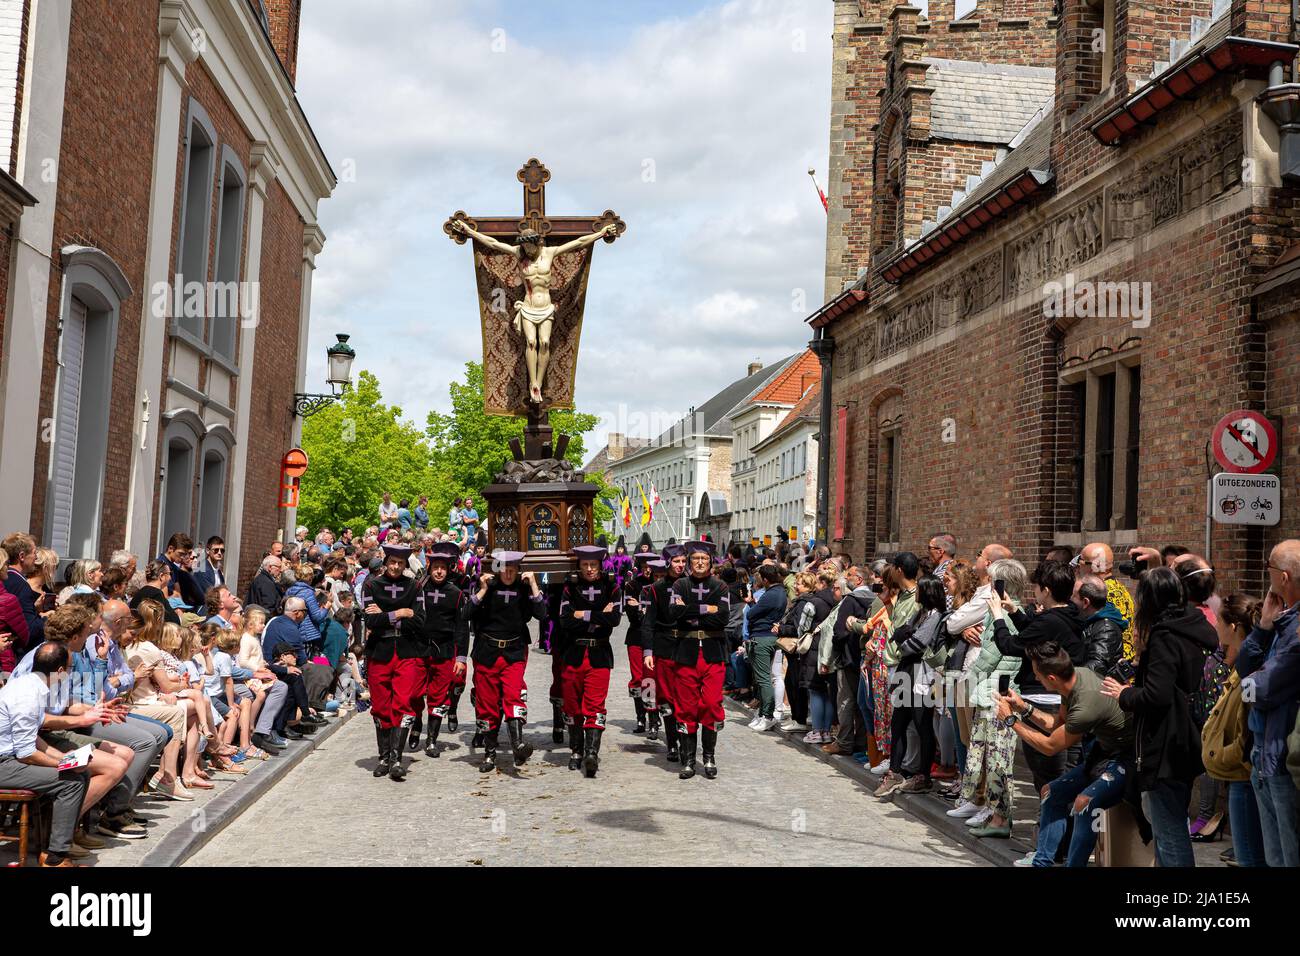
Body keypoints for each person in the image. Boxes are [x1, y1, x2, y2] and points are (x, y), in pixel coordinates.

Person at [1101, 566, 1218, 867]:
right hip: (1189, 736)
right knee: (1169, 823)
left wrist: (1123, 693)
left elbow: (1157, 695)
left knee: (1170, 831)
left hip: (1165, 744)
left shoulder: (1165, 636)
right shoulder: (1197, 628)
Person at [997, 641, 1135, 867]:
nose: (1036, 680)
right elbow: (1056, 725)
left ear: (1051, 678)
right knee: (1050, 792)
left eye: (1037, 676)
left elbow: (1050, 746)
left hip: (1126, 759)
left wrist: (1010, 721)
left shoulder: (1086, 705)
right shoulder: (1073, 678)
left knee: (1084, 802)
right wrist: (1023, 708)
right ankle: (1042, 863)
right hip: (1103, 754)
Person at [1231, 539, 1300, 867]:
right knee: (1275, 857)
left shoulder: (1297, 632)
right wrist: (1261, 629)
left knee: (1287, 855)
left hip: (1283, 756)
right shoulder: (1282, 621)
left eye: (1269, 568)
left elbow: (1261, 688)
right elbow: (1245, 669)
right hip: (1263, 749)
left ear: (1283, 577)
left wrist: (1245, 687)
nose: (1266, 575)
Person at [0, 642, 93, 866]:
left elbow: (34, 738)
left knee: (81, 773)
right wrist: (62, 766)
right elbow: (26, 754)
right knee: (71, 782)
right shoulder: (28, 695)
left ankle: (49, 845)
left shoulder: (30, 686)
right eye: (70, 669)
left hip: (12, 757)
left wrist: (65, 759)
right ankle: (55, 858)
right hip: (5, 763)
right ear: (60, 671)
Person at [463, 551, 545, 772]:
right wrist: (481, 590)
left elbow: (542, 614)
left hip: (514, 652)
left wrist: (534, 585)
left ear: (518, 569)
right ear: (497, 568)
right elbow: (465, 614)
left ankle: (518, 743)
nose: (508, 573)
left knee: (513, 695)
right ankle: (489, 754)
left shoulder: (523, 587)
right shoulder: (486, 586)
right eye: (504, 568)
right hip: (487, 651)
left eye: (513, 568)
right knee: (487, 703)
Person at [1202, 592, 1267, 867]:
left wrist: (1224, 756)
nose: (1214, 625)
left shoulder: (1248, 670)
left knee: (1249, 857)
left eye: (1218, 620)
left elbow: (1246, 729)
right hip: (1241, 776)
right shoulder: (1240, 666)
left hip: (1243, 776)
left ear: (1233, 627)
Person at [665, 540, 730, 780]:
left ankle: (709, 756)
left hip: (713, 652)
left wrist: (691, 609)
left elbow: (722, 618)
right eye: (695, 559)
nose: (700, 562)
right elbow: (675, 614)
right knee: (686, 707)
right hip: (686, 652)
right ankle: (689, 760)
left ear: (710, 562)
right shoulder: (680, 584)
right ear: (689, 562)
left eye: (704, 559)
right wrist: (707, 609)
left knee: (712, 704)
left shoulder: (720, 586)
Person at [362, 542, 426, 780]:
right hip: (379, 650)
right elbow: (370, 622)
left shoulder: (414, 586)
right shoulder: (371, 585)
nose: (396, 567)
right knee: (380, 706)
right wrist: (399, 613)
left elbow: (419, 621)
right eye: (392, 562)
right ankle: (383, 757)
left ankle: (397, 759)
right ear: (386, 562)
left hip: (406, 651)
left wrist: (384, 615)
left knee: (403, 703)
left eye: (401, 563)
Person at [558, 545, 622, 776]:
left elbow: (614, 619)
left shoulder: (611, 586)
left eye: (593, 565)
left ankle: (591, 753)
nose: (589, 569)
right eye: (585, 565)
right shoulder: (571, 587)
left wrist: (582, 614)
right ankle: (576, 750)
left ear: (600, 565)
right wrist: (597, 615)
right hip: (574, 653)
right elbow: (565, 620)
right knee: (573, 705)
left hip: (599, 655)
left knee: (595, 705)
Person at [410, 541, 468, 758]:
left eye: (443, 567)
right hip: (419, 648)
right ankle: (416, 724)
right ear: (430, 567)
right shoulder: (418, 588)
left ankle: (432, 739)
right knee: (414, 694)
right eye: (436, 567)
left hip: (443, 650)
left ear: (449, 568)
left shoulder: (456, 594)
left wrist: (460, 657)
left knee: (438, 696)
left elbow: (463, 627)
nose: (439, 571)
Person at [642, 543, 688, 762]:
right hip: (664, 645)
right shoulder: (656, 589)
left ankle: (686, 740)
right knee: (667, 698)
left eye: (682, 561)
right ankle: (672, 742)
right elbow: (649, 622)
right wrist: (648, 651)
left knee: (685, 698)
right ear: (668, 563)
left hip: (686, 646)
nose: (680, 566)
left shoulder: (692, 585)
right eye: (676, 562)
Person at [745, 564, 788, 732]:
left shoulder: (770, 594)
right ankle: (762, 713)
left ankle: (767, 715)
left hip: (762, 637)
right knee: (765, 678)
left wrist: (751, 605)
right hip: (768, 637)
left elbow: (751, 614)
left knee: (763, 679)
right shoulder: (780, 592)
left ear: (765, 579)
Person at [1074, 573, 1124, 676]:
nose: (1070, 599)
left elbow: (1097, 665)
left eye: (1073, 595)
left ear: (1085, 602)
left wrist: (1068, 676)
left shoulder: (1106, 628)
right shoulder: (1089, 621)